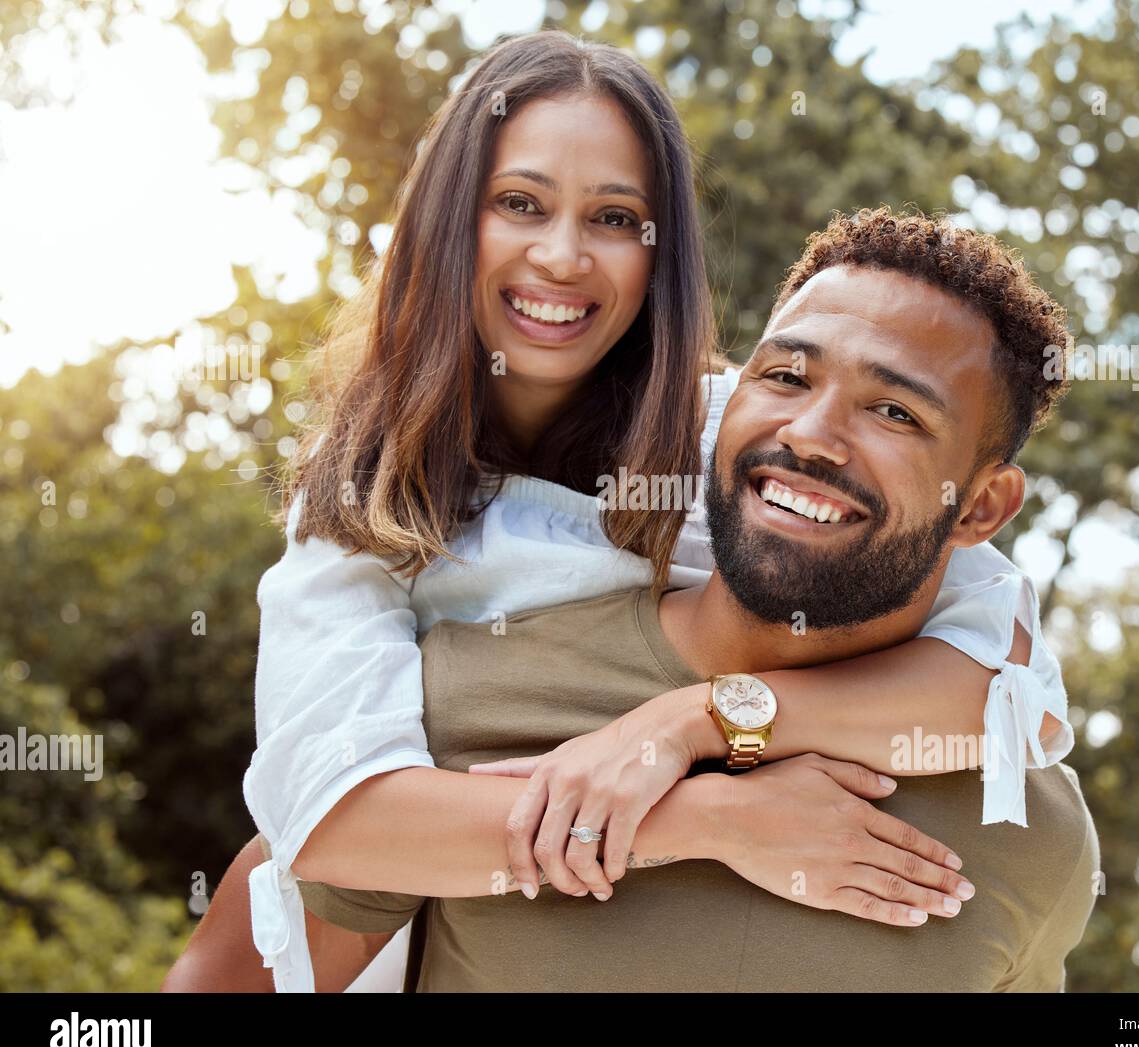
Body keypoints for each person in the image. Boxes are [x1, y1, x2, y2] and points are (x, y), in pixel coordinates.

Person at [174, 30, 1072, 994]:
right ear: (446, 221)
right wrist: (703, 819)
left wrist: (692, 725)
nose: (561, 257)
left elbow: (1011, 690)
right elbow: (333, 820)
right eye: (519, 203)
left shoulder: (739, 429)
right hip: (440, 851)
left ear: (658, 256)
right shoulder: (365, 499)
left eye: (613, 218)